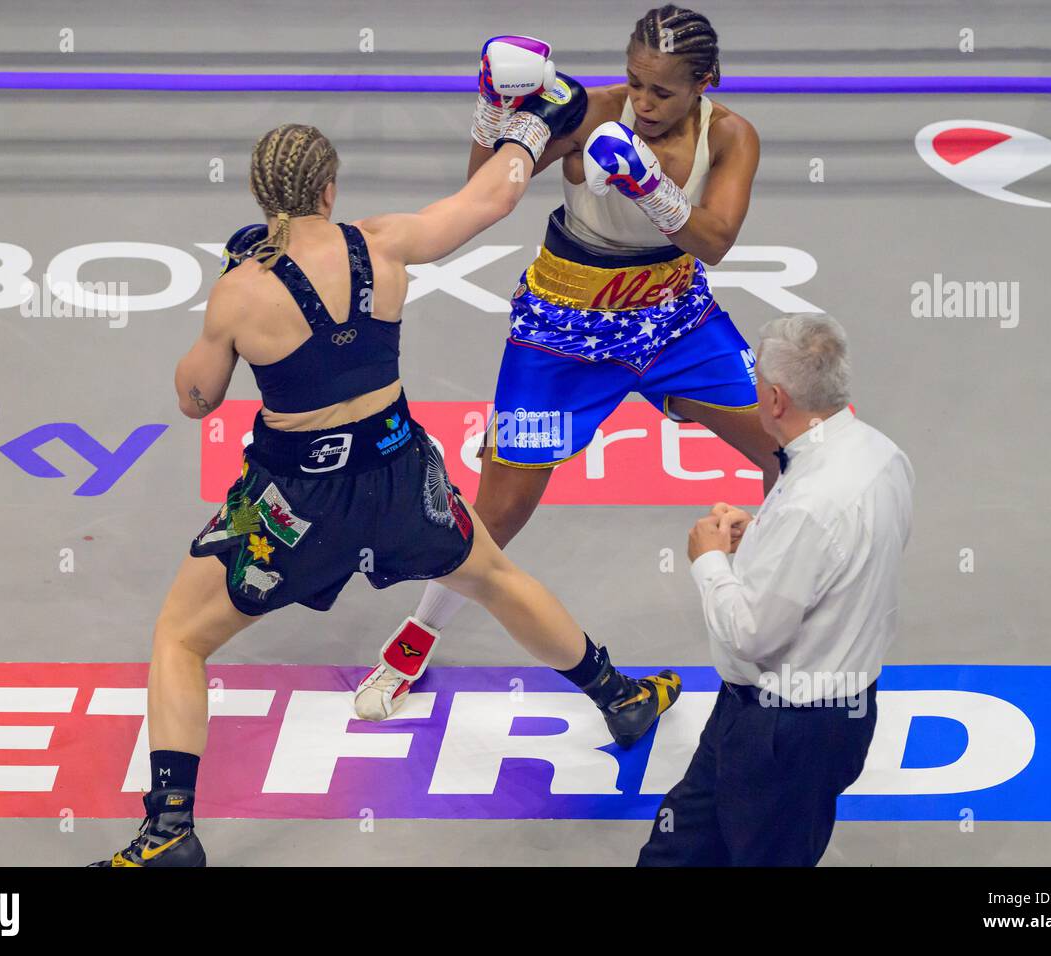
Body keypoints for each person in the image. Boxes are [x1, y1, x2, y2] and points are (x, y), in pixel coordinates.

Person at [91, 78, 682, 867]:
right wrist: (532, 128)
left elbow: (197, 398)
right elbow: (488, 201)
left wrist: (225, 297)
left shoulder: (241, 290)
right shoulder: (386, 243)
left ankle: (169, 832)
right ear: (329, 189)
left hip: (292, 506)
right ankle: (621, 697)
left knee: (179, 639)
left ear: (262, 195)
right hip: (403, 477)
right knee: (495, 577)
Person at [356, 7, 783, 721]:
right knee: (497, 513)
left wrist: (652, 187)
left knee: (789, 452)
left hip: (677, 319)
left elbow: (714, 241)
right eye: (636, 82)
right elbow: (480, 192)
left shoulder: (733, 135)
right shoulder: (583, 112)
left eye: (664, 92)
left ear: (706, 82)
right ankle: (416, 636)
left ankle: (782, 614)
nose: (643, 104)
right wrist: (495, 110)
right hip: (564, 331)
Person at [637, 313, 915, 866]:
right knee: (674, 854)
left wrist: (709, 562)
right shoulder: (882, 455)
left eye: (757, 383)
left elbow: (752, 635)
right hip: (771, 717)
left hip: (785, 736)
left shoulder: (812, 504)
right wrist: (762, 538)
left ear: (777, 399)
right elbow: (841, 563)